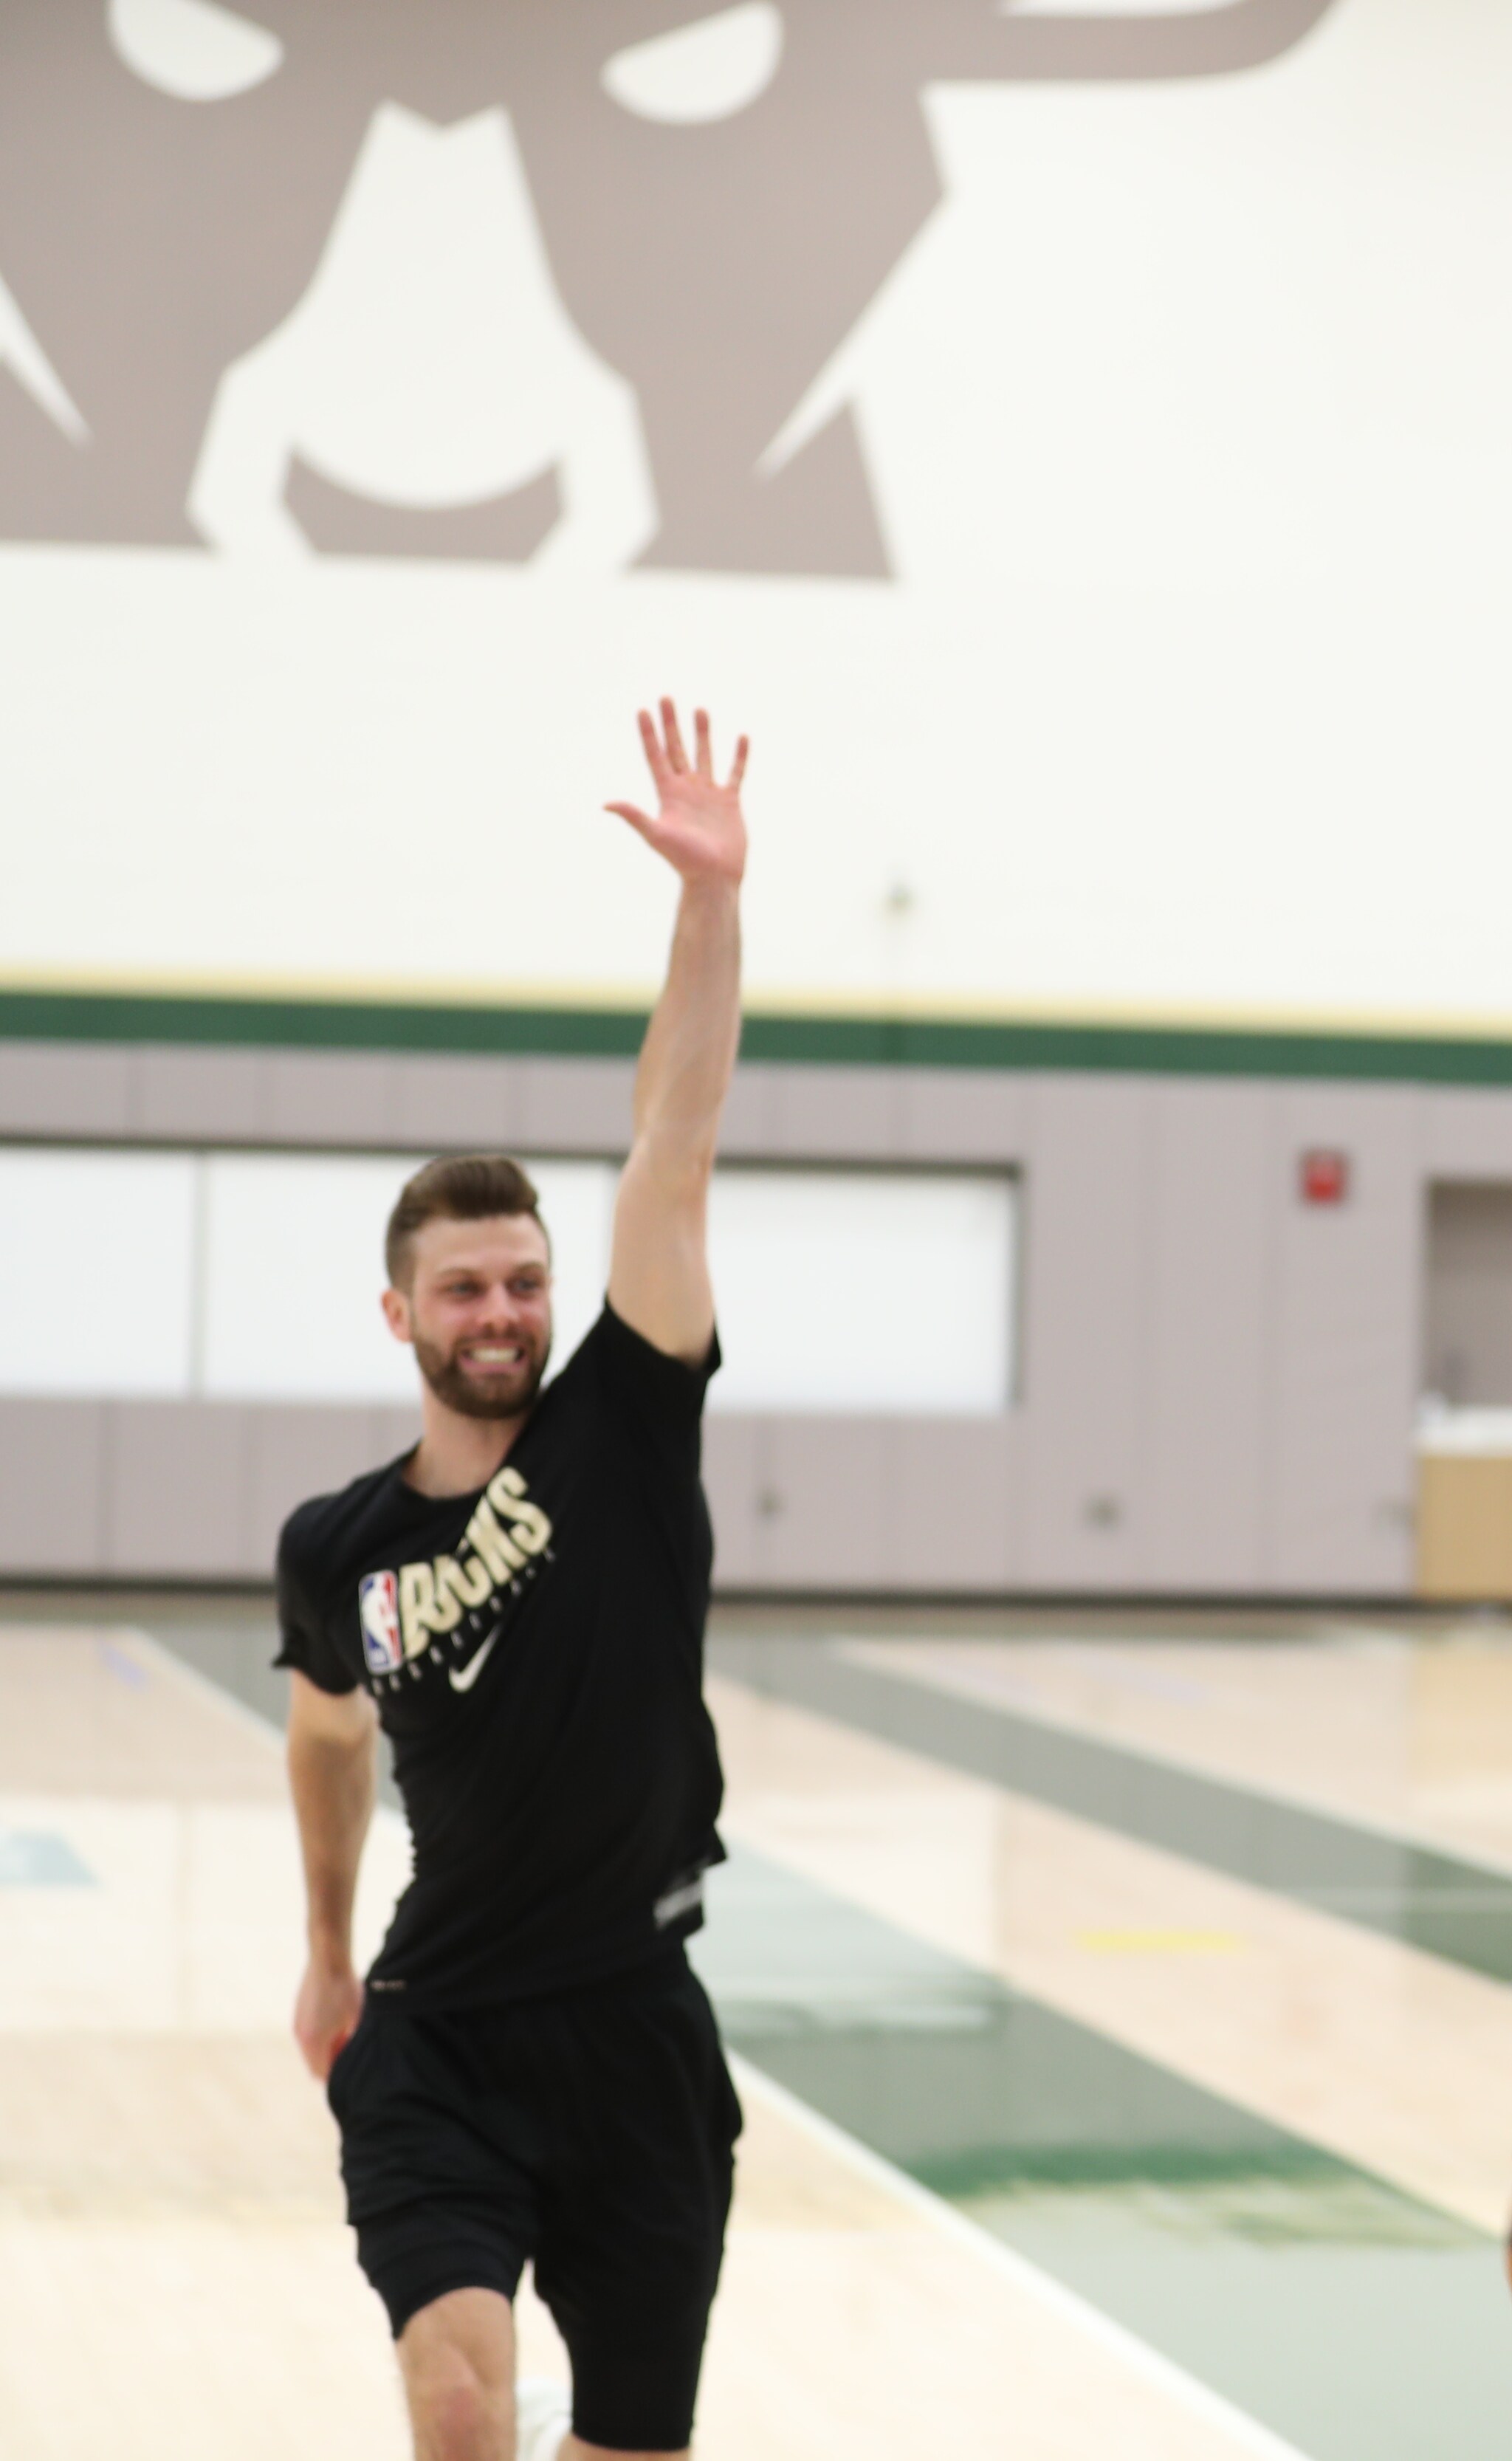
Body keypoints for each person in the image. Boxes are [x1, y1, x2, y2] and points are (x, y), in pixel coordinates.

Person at [278, 701, 749, 2461]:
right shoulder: (338, 1545)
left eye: (522, 1283)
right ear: (401, 1314)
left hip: (636, 2029)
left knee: (630, 2445)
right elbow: (328, 1734)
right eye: (464, 1289)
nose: (501, 1314)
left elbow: (671, 1133)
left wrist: (708, 902)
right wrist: (326, 1949)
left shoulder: (622, 1421)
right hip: (439, 2032)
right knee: (460, 2404)